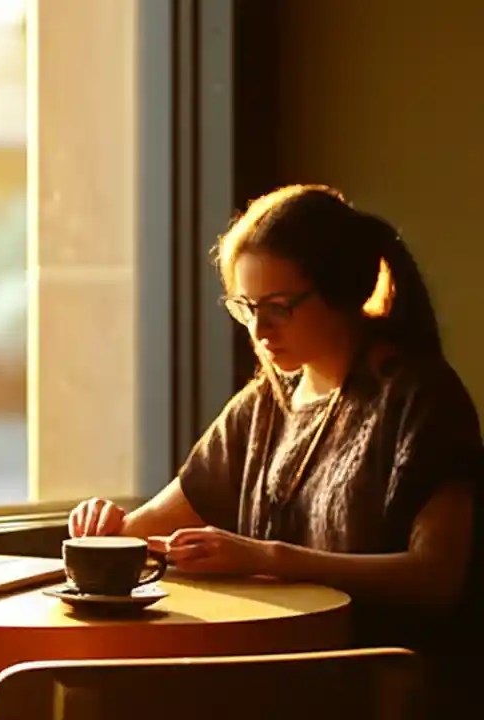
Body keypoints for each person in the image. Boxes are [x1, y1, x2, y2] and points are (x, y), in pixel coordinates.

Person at [69, 184, 481, 707]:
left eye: (280, 307)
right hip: (272, 676)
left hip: (375, 684)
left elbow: (435, 578)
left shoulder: (418, 397)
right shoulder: (265, 403)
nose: (260, 331)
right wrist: (108, 532)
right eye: (247, 308)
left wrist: (267, 556)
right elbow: (149, 529)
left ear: (342, 290)